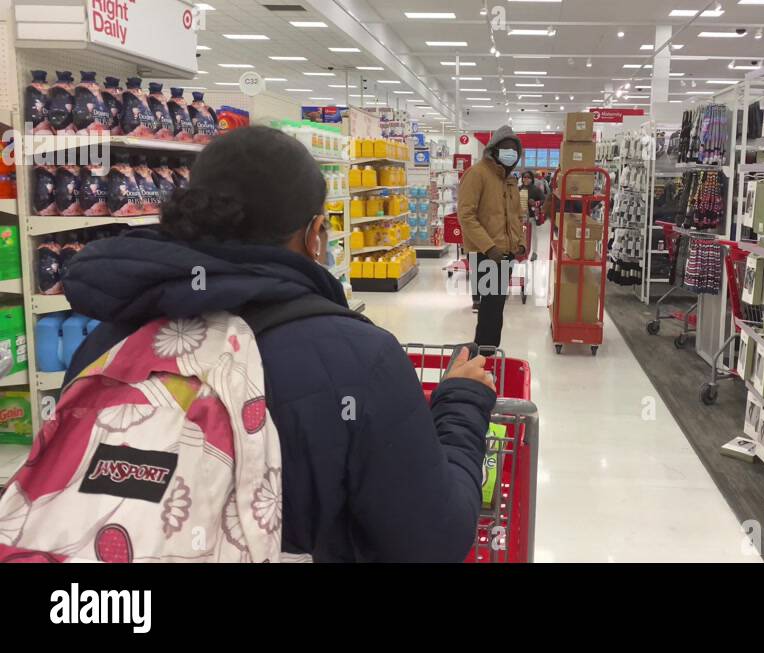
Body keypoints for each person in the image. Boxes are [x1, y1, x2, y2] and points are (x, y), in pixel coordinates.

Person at [62, 126, 496, 563]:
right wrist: (462, 402)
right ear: (314, 234)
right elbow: (432, 543)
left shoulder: (105, 342)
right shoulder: (361, 360)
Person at [458, 125, 527, 346]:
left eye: (514, 151)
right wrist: (490, 248)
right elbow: (466, 215)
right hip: (484, 253)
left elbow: (516, 216)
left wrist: (521, 243)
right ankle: (484, 355)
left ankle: (486, 354)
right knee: (490, 308)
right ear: (494, 150)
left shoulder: (509, 180)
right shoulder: (477, 174)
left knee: (495, 308)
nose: (511, 154)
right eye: (506, 149)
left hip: (505, 253)